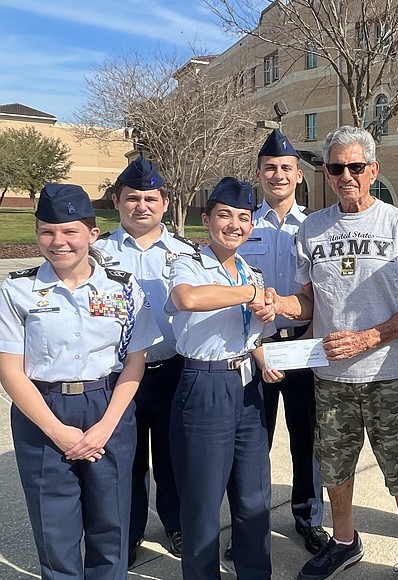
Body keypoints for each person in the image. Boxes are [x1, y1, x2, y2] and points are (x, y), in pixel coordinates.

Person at [268, 125, 398, 580]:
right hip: (333, 378)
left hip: (393, 373)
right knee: (335, 465)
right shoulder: (312, 228)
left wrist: (369, 338)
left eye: (356, 166)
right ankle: (345, 542)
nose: (347, 175)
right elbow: (307, 302)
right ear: (326, 173)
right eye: (337, 167)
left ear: (373, 170)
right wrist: (275, 304)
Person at [0, 183, 162, 578]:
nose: (59, 242)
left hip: (107, 405)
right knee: (55, 527)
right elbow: (9, 369)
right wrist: (58, 432)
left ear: (92, 234)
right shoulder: (17, 289)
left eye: (70, 231)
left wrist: (106, 427)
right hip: (43, 410)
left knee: (111, 525)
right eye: (47, 232)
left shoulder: (122, 288)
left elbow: (134, 363)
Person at [166, 177, 280, 580]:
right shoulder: (187, 262)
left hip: (247, 387)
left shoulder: (251, 270)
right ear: (207, 218)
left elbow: (253, 336)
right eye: (225, 215)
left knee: (253, 497)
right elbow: (188, 299)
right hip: (204, 385)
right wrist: (250, 295)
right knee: (202, 502)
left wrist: (266, 359)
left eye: (244, 218)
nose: (235, 225)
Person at [94, 157, 195, 564]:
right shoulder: (97, 253)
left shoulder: (186, 253)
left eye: (150, 198)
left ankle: (175, 525)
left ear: (165, 203)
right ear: (117, 202)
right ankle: (130, 532)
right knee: (126, 461)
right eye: (132, 198)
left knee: (173, 456)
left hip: (171, 369)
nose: (141, 206)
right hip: (119, 376)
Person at [238, 129, 329, 556]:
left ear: (298, 176)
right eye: (270, 168)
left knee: (306, 439)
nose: (278, 175)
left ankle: (308, 519)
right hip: (252, 348)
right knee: (253, 444)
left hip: (302, 345)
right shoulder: (241, 225)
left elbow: (324, 291)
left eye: (286, 169)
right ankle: (250, 528)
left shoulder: (316, 227)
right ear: (259, 174)